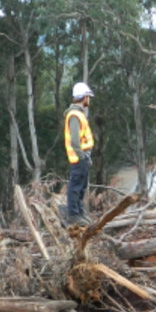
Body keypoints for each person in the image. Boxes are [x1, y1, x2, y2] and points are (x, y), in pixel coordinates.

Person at [63, 82, 95, 225]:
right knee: (75, 186)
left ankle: (80, 213)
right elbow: (75, 140)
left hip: (82, 158)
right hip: (78, 158)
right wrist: (82, 156)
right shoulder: (75, 115)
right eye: (88, 96)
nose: (89, 99)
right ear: (83, 97)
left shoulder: (78, 114)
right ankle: (74, 215)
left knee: (81, 187)